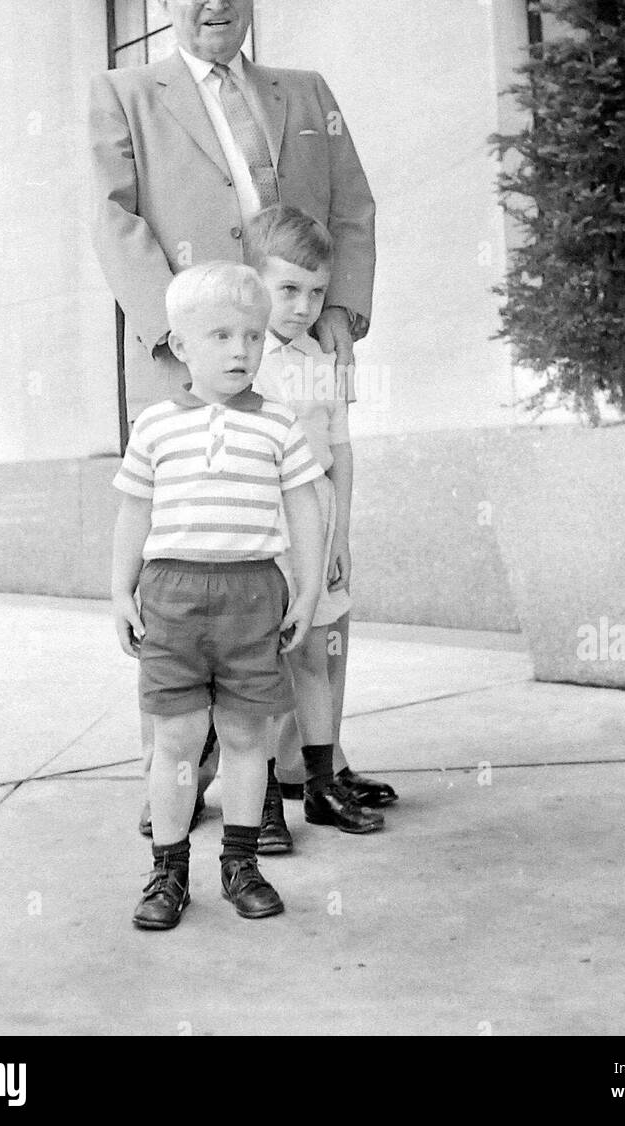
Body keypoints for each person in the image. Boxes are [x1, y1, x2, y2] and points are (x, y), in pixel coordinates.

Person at [89, 0, 387, 834]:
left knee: (312, 566)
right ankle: (180, 773)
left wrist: (338, 316)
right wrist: (177, 336)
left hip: (299, 363)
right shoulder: (125, 94)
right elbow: (113, 220)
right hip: (194, 365)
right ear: (164, 0)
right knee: (200, 571)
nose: (215, 2)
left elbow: (351, 206)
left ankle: (307, 768)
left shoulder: (305, 92)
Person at [111, 262, 324, 930]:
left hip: (252, 593)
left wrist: (308, 592)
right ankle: (167, 874)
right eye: (222, 336)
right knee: (175, 740)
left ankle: (241, 865)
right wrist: (118, 591)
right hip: (170, 594)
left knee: (243, 736)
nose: (241, 350)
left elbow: (306, 511)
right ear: (181, 345)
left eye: (253, 337)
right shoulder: (153, 428)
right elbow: (133, 513)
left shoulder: (278, 426)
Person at [244, 207, 386, 847]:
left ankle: (321, 785)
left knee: (316, 652)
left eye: (317, 292)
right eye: (288, 290)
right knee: (262, 658)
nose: (304, 307)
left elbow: (343, 450)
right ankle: (264, 794)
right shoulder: (242, 360)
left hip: (317, 513)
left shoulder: (323, 356)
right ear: (255, 285)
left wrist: (343, 536)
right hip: (263, 519)